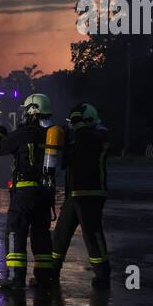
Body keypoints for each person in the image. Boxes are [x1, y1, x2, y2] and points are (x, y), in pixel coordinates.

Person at [0, 93, 63, 290]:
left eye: (26, 110)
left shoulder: (23, 133)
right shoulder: (50, 135)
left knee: (16, 232)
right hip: (45, 194)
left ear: (32, 111)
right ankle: (44, 277)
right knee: (41, 234)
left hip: (24, 193)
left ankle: (15, 278)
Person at [52, 102, 112, 290]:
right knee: (61, 233)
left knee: (92, 234)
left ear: (86, 121)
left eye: (75, 121)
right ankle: (52, 272)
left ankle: (103, 275)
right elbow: (64, 159)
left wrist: (77, 129)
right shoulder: (77, 135)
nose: (71, 125)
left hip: (92, 193)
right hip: (74, 194)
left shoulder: (99, 135)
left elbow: (88, 140)